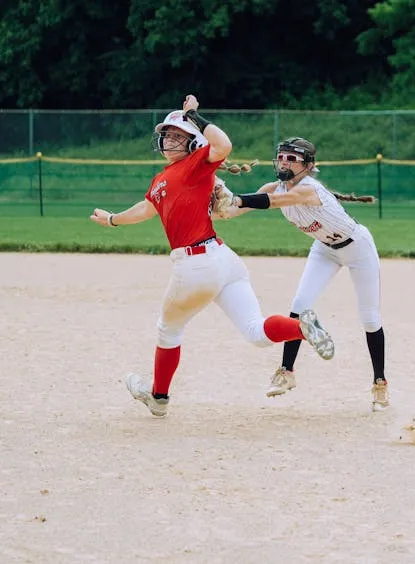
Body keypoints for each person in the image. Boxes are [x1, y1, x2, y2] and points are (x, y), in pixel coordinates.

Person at [89, 96, 335, 417]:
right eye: (167, 135)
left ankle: (159, 398)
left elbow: (224, 145)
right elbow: (145, 209)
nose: (168, 139)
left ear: (193, 144)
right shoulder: (163, 178)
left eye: (178, 136)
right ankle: (301, 329)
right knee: (255, 332)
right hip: (223, 260)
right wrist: (112, 219)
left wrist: (193, 115)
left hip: (195, 265)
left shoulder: (197, 164)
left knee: (168, 330)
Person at [220, 137, 389, 412]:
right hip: (324, 249)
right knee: (299, 306)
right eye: (282, 157)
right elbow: (229, 212)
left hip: (357, 248)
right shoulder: (274, 188)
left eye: (292, 158)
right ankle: (287, 371)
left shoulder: (308, 189)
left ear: (308, 166)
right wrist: (212, 203)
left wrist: (237, 197)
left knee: (369, 318)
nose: (284, 162)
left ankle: (380, 382)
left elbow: (269, 202)